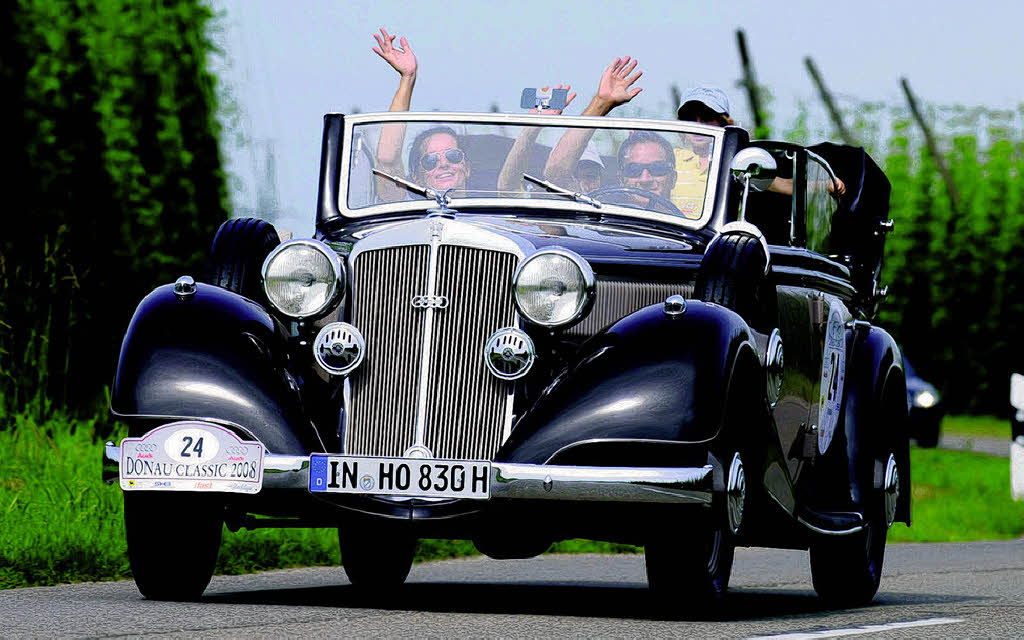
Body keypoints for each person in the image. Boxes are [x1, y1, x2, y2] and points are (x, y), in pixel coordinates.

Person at [371, 28, 471, 200]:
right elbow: (387, 161)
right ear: (416, 176)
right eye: (430, 161)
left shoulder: (491, 211)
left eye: (453, 156)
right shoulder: (406, 210)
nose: (444, 164)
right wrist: (407, 78)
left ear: (467, 167)